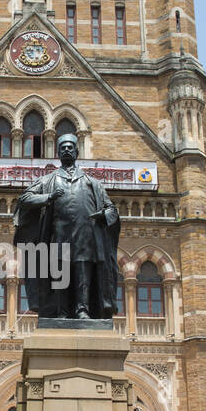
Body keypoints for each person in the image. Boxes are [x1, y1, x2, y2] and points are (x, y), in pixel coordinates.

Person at [15, 134, 120, 319]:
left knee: (83, 275)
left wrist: (104, 215)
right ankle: (61, 312)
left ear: (77, 152)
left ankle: (83, 310)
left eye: (70, 147)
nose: (66, 150)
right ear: (57, 153)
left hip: (85, 236)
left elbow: (111, 208)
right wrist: (48, 197)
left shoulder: (92, 183)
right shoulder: (48, 180)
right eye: (62, 147)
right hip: (58, 235)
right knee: (59, 276)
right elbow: (24, 199)